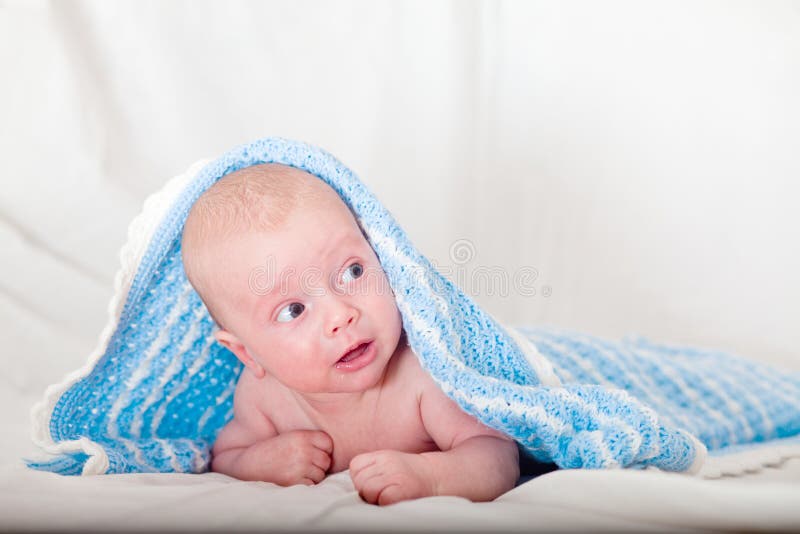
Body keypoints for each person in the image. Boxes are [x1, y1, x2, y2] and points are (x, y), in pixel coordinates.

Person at [180, 163, 519, 505]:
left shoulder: (422, 375)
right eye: (293, 310)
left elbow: (496, 452)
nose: (340, 315)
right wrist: (260, 463)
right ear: (247, 354)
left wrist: (431, 477)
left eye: (352, 271)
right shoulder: (264, 398)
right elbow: (226, 456)